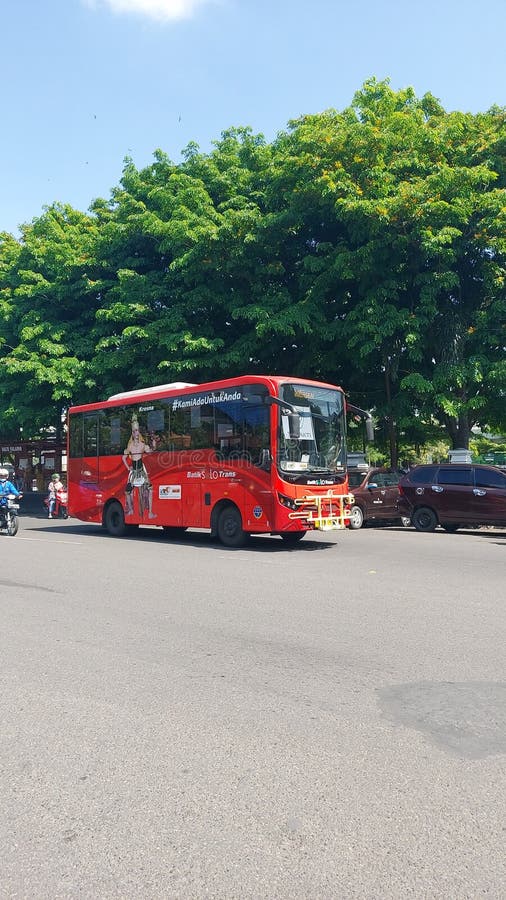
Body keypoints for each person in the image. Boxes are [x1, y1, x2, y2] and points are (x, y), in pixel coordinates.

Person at [122, 414, 156, 518]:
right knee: (127, 491)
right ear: (132, 433)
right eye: (134, 431)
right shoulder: (130, 446)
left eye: (137, 431)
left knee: (150, 489)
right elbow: (123, 458)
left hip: (141, 469)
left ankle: (150, 512)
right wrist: (128, 468)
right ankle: (131, 510)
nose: (136, 433)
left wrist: (154, 444)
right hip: (133, 471)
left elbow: (150, 451)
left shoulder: (142, 445)